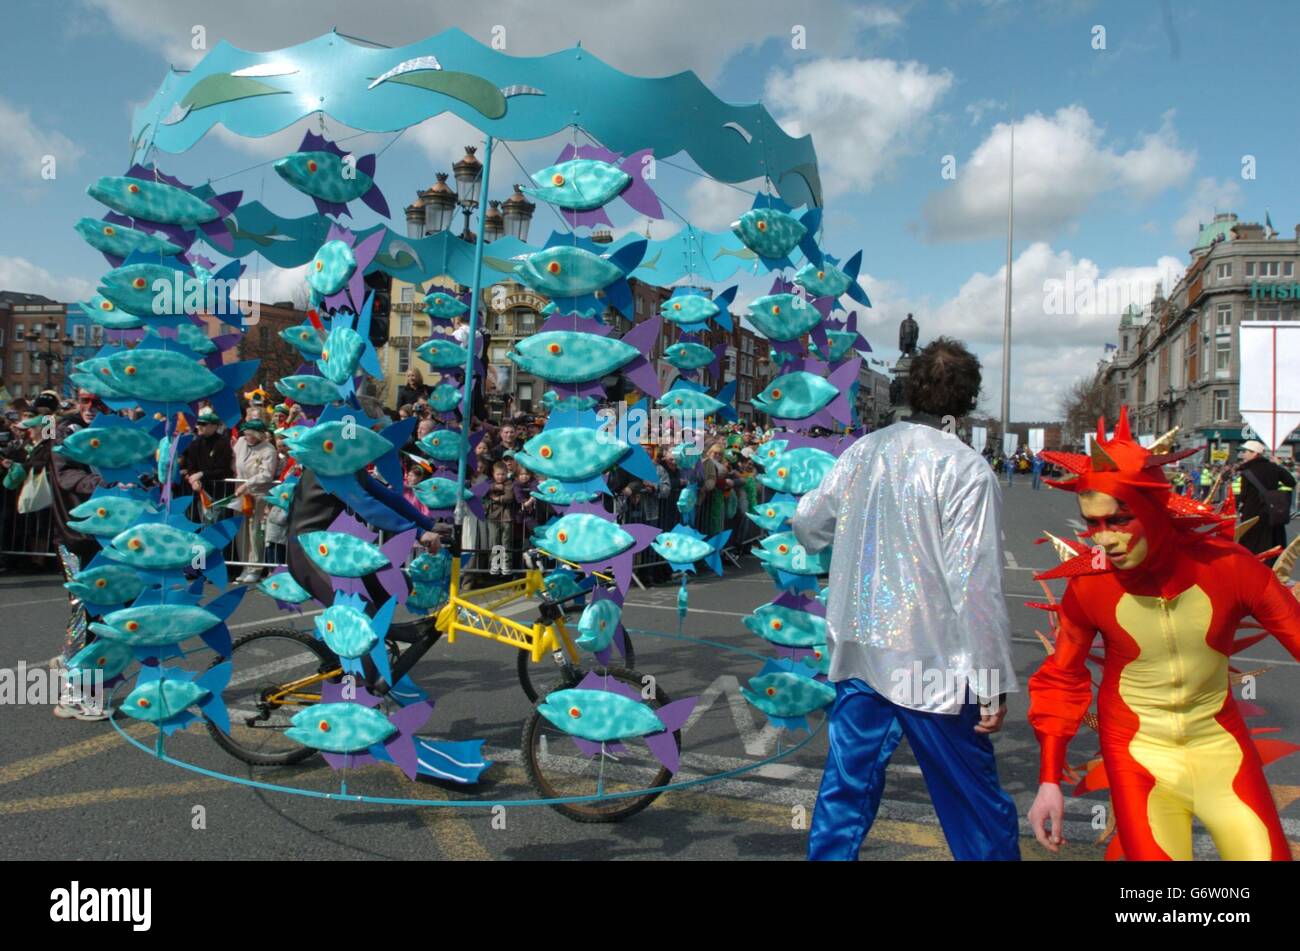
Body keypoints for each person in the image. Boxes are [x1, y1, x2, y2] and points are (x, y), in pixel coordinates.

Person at [1027, 410, 1300, 860]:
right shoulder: (1089, 586)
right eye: (1092, 524)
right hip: (1138, 760)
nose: (1104, 540)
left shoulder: (1229, 567)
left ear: (1155, 511)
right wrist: (1049, 780)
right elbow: (1062, 680)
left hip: (1220, 750)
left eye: (1118, 520)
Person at [792, 337, 1019, 861]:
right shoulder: (964, 469)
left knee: (846, 788)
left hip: (860, 649)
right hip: (931, 662)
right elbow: (976, 584)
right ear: (966, 401)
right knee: (973, 801)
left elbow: (808, 522)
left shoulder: (863, 452)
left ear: (910, 386)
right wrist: (991, 680)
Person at [231, 418, 279, 583]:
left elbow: (266, 474)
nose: (247, 436)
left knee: (256, 531)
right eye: (246, 433)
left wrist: (248, 484)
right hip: (240, 493)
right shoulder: (240, 443)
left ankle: (255, 567)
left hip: (258, 494)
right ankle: (244, 565)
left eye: (251, 434)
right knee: (241, 532)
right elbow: (234, 462)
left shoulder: (268, 450)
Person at [1235, 439, 1295, 562]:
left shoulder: (1247, 470)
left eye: (1245, 451)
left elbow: (1244, 494)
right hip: (1272, 511)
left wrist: (1238, 506)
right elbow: (1291, 481)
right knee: (1272, 543)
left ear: (1254, 453)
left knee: (1252, 545)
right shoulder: (1273, 467)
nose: (1243, 454)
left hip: (1253, 513)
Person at [180, 409, 235, 521]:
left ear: (214, 426)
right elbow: (191, 466)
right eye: (198, 423)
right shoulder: (195, 443)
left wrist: (202, 474)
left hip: (219, 493)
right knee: (202, 522)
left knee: (218, 523)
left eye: (203, 424)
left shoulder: (222, 443)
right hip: (201, 491)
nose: (199, 426)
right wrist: (194, 479)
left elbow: (224, 469)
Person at [484, 460, 516, 576]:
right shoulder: (490, 483)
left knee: (506, 542)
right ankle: (495, 563)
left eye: (503, 474)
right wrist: (495, 488)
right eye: (498, 474)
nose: (500, 477)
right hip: (493, 517)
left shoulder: (510, 484)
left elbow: (509, 497)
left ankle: (506, 564)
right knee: (494, 540)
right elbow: (486, 490)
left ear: (507, 473)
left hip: (506, 516)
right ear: (493, 474)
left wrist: (497, 498)